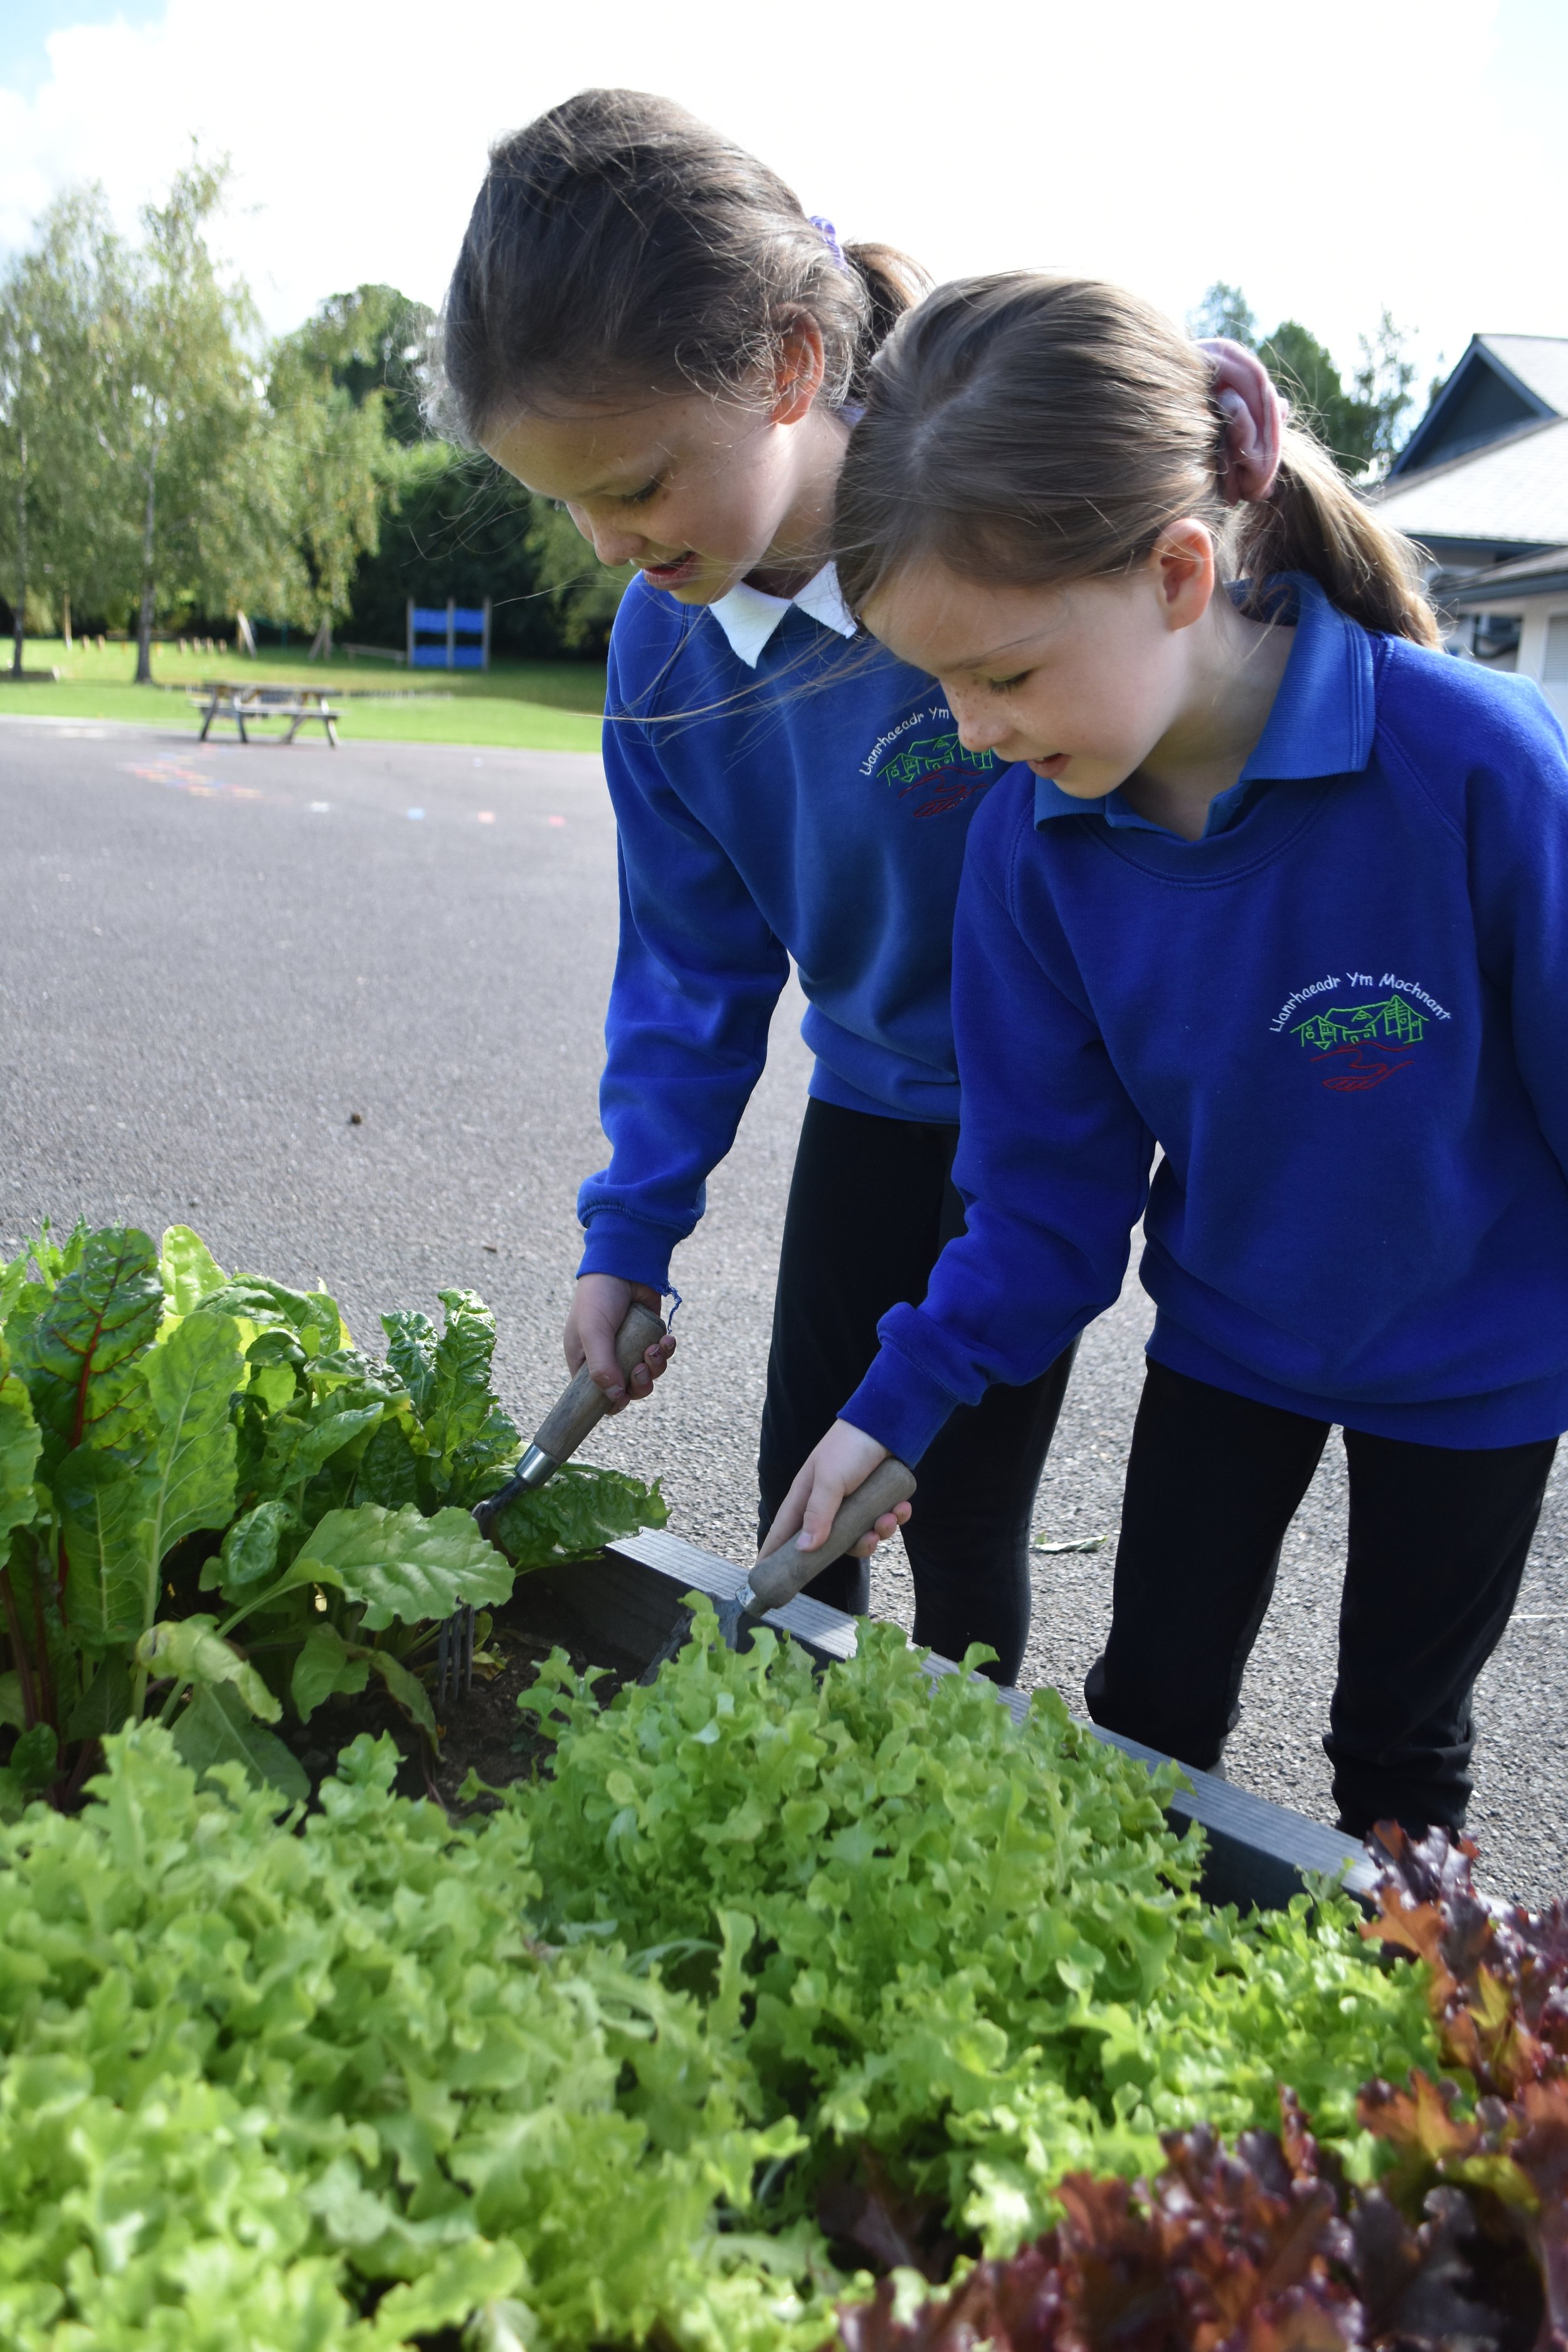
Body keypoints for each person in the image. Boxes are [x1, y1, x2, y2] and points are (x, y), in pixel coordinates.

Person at [766, 271, 1568, 1836]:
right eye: (934, 680)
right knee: (1144, 1723)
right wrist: (894, 1404)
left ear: (1179, 570)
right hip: (1229, 1349)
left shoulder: (1478, 766)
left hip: (1479, 1377)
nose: (970, 727)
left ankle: (1408, 2064)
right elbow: (1044, 1213)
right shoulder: (1027, 850)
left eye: (999, 672)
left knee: (1399, 1759)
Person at [432, 93, 1076, 1681]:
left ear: (791, 367)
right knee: (806, 1487)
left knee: (963, 1504)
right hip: (870, 1099)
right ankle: (794, 1781)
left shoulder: (978, 559)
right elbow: (688, 967)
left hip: (1043, 1123)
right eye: (565, 501)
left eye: (638, 484)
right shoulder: (658, 656)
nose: (600, 541)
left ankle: (959, 1809)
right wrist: (625, 1236)